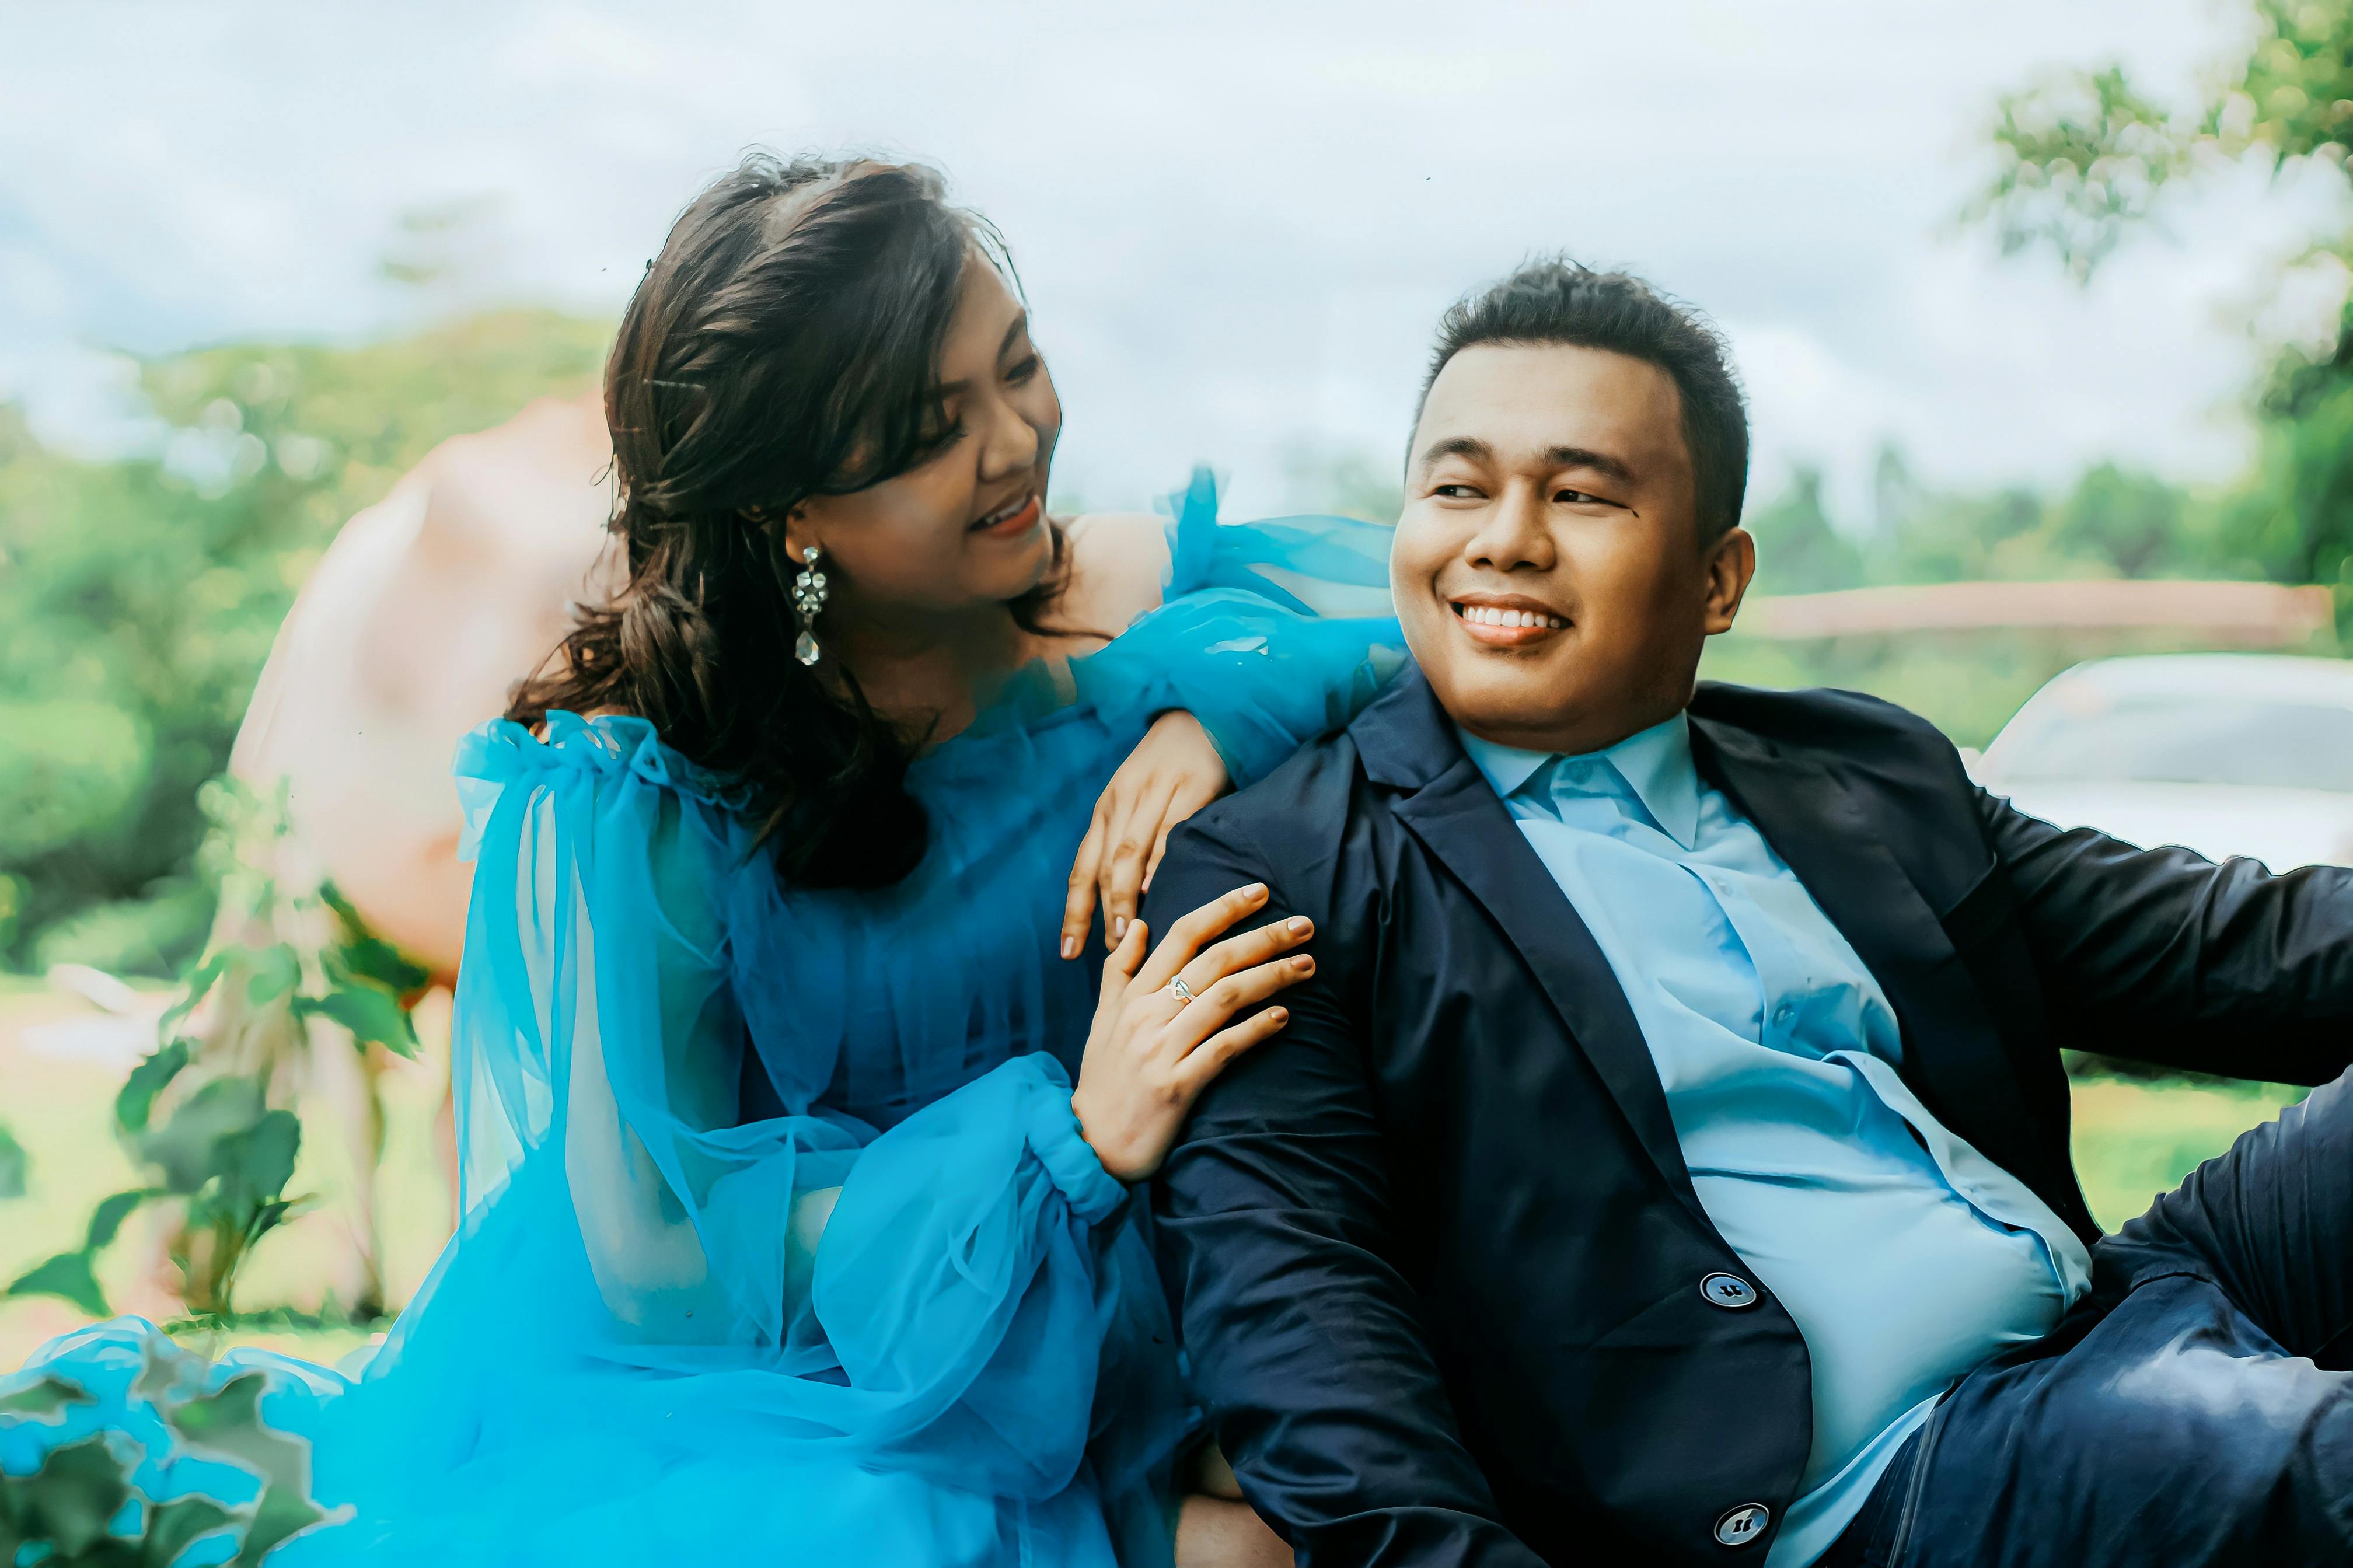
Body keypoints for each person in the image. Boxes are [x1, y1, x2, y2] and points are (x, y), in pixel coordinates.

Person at [2, 154, 1398, 1566]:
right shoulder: (649, 782)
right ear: (790, 512)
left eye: (1019, 367)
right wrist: (1062, 1147)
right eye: (930, 431)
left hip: (1176, 1315)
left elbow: (1439, 609)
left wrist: (1211, 715)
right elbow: (653, 1254)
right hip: (823, 1394)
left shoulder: (1137, 600)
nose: (1014, 442)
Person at [1144, 259, 2353, 1567]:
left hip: (2113, 1307)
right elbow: (1303, 1334)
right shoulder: (1289, 872)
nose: (1505, 538)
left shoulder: (1860, 771)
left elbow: (2243, 946)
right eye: (1457, 488)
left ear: (1718, 580)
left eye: (1580, 493)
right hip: (1872, 1490)